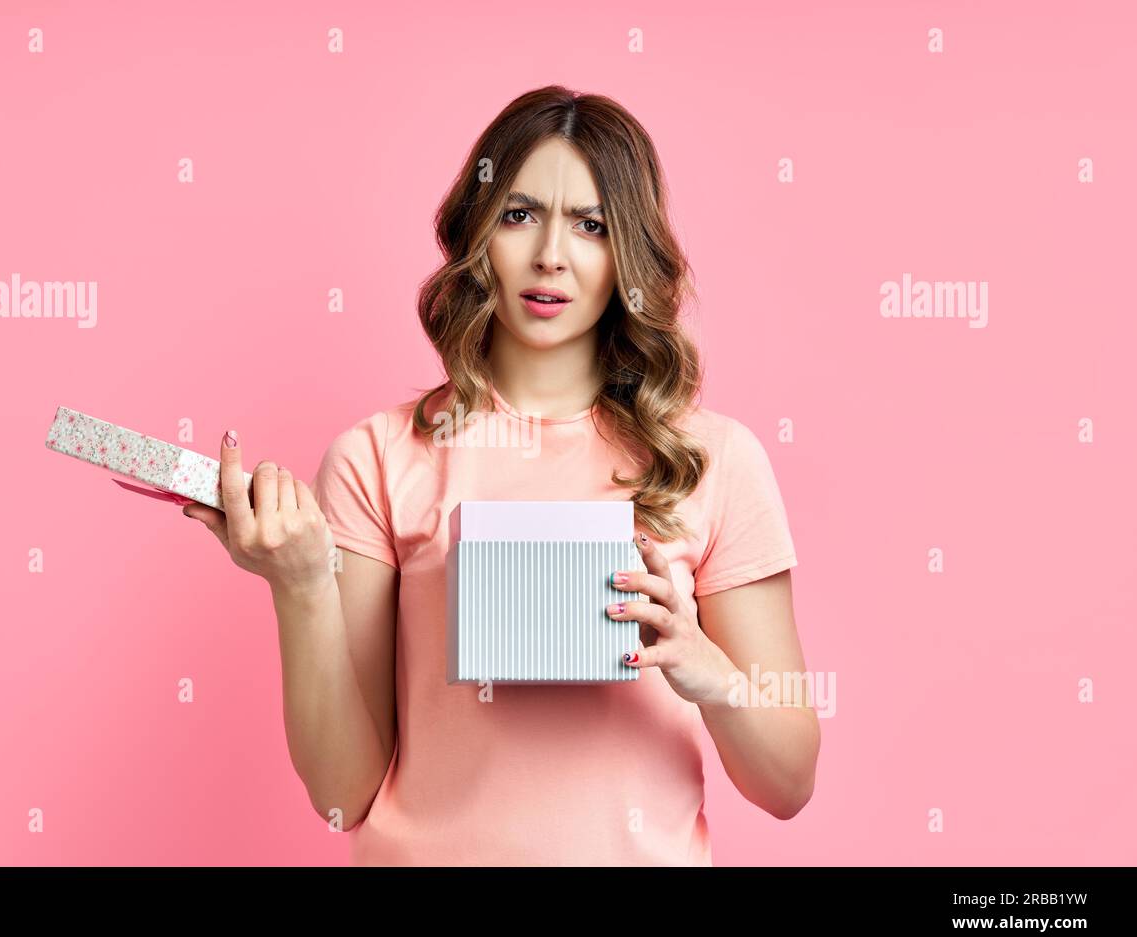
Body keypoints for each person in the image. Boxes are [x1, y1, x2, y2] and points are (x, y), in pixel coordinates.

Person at [181, 85, 819, 866]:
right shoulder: (377, 457)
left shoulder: (714, 460)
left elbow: (788, 782)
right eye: (520, 214)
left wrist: (707, 669)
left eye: (591, 225)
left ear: (629, 252)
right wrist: (302, 584)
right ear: (477, 232)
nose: (551, 254)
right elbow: (343, 793)